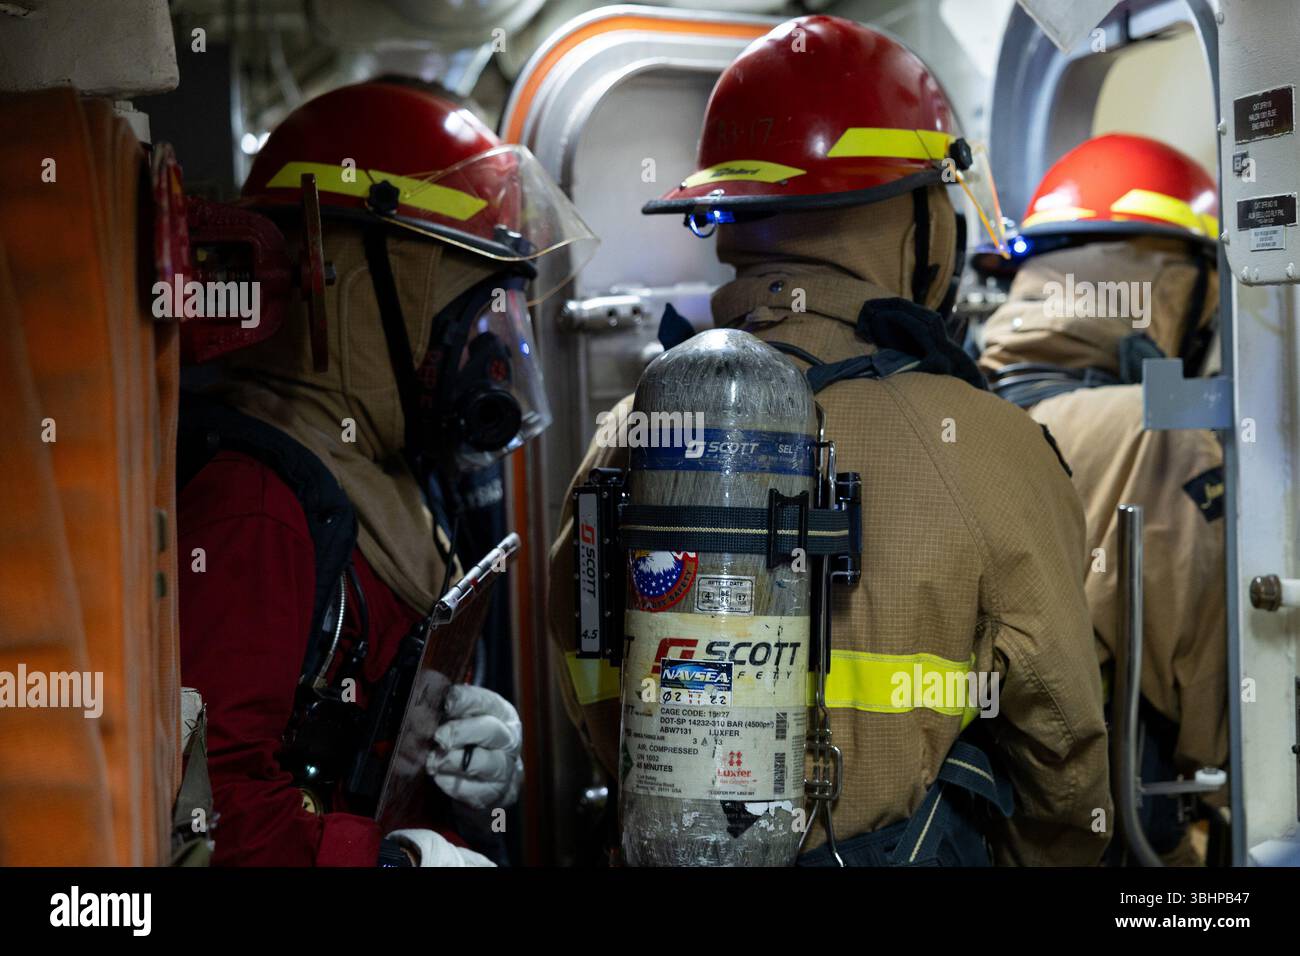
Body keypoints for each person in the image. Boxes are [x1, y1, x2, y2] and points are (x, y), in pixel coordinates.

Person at [548, 15, 1111, 866]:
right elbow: (1062, 741)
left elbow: (586, 662)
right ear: (917, 220)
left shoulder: (633, 430)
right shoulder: (990, 449)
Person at [178, 81, 592, 866]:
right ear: (360, 295)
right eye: (470, 309)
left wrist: (464, 747)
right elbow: (208, 810)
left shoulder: (381, 474)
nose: (489, 357)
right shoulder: (255, 506)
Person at [976, 133, 1226, 864]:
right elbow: (1220, 707)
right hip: (1122, 840)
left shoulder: (955, 402)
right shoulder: (1166, 435)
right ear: (1188, 287)